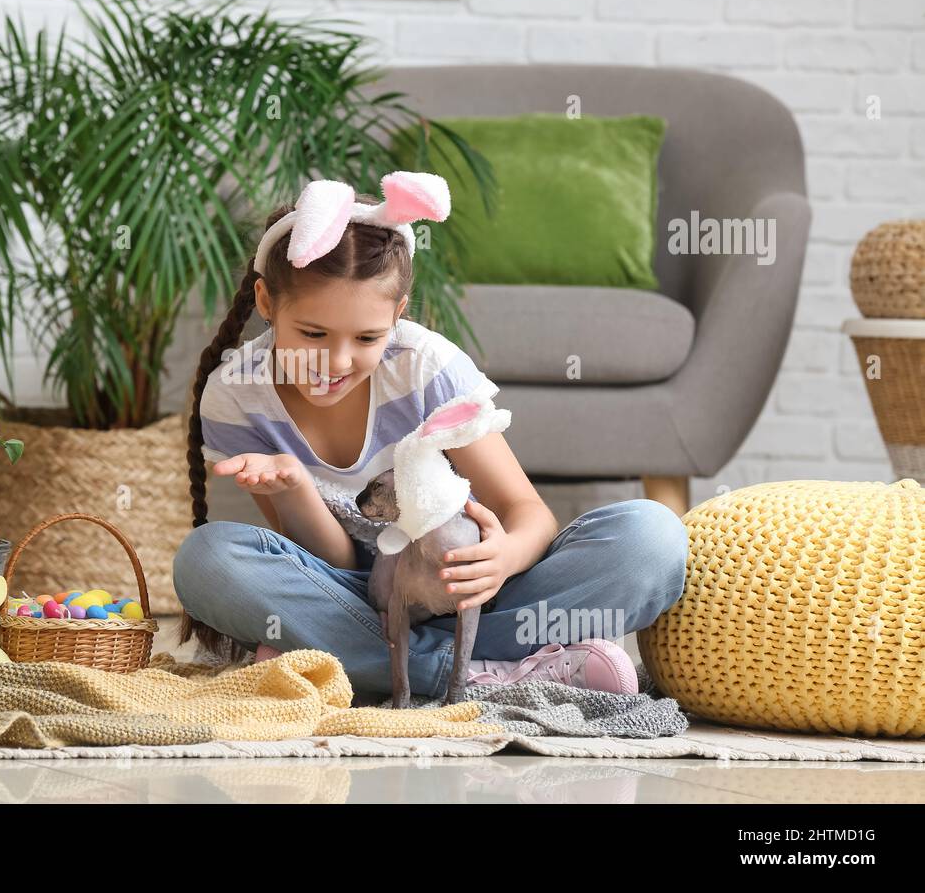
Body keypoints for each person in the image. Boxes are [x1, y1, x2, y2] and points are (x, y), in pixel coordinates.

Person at [173, 173, 687, 700]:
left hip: (471, 590)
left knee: (652, 538)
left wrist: (503, 558)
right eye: (313, 334)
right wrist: (296, 491)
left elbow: (527, 512)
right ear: (265, 300)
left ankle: (362, 659)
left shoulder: (424, 367)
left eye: (367, 337)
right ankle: (486, 673)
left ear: (396, 315)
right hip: (351, 594)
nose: (337, 361)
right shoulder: (236, 395)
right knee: (207, 560)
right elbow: (337, 567)